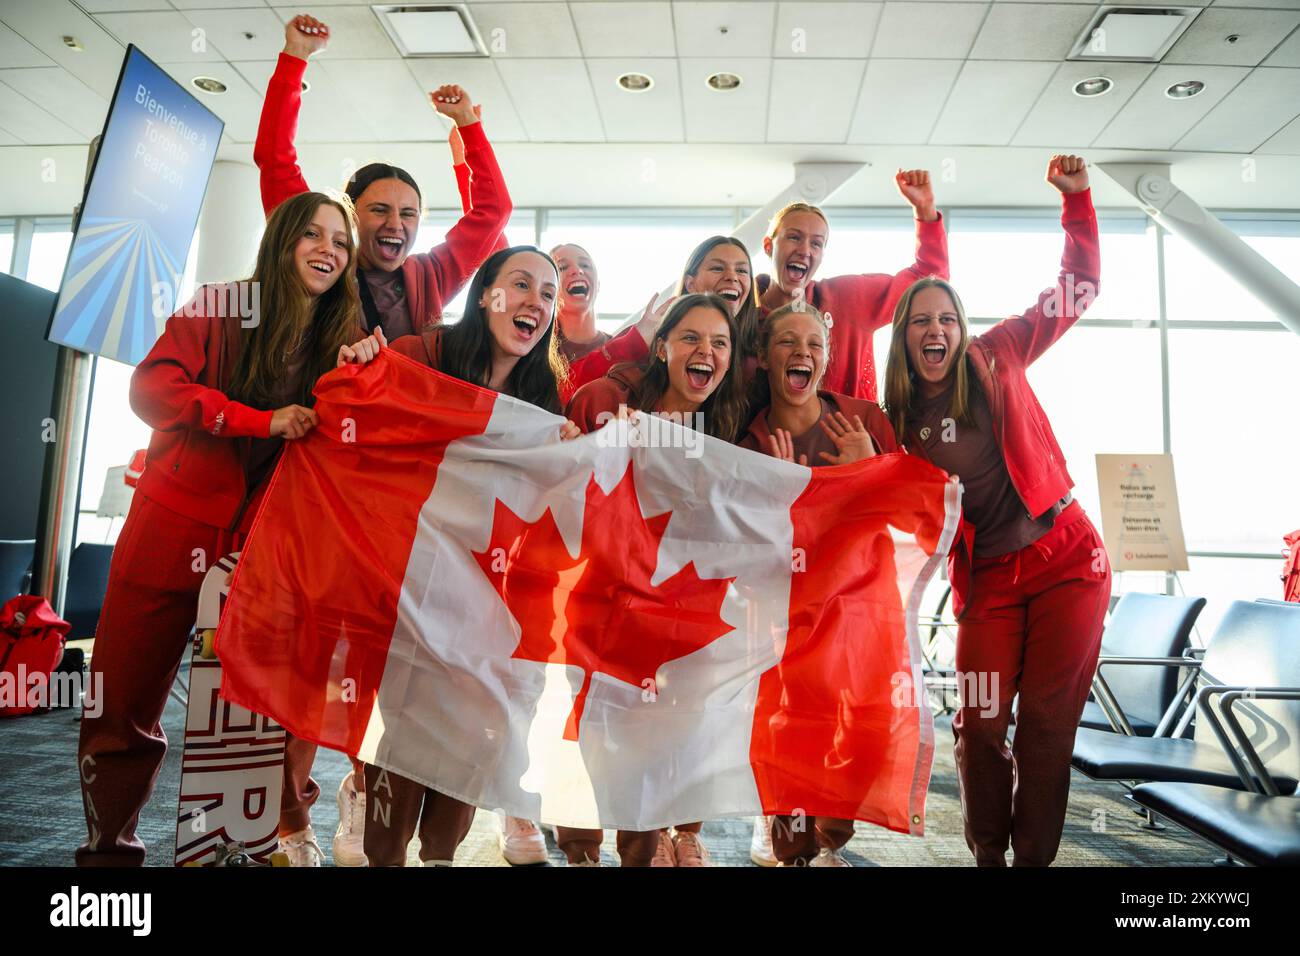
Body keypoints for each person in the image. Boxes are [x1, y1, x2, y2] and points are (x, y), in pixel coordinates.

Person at [75, 191, 381, 866]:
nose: (328, 248)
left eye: (340, 239)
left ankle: (246, 843)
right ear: (281, 240)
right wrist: (252, 418)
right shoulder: (221, 304)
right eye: (312, 234)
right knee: (122, 699)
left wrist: (369, 374)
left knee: (247, 718)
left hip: (259, 547)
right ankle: (107, 853)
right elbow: (149, 391)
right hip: (169, 527)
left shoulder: (341, 338)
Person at [882, 154, 1109, 867]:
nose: (935, 330)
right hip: (989, 583)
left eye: (946, 318)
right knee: (980, 724)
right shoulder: (897, 419)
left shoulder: (999, 354)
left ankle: (1032, 861)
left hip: (1069, 560)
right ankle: (988, 855)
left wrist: (1077, 203)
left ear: (961, 326)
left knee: (1045, 724)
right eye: (920, 321)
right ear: (904, 335)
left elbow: (1075, 291)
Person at [347, 245, 580, 865]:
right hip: (410, 589)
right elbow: (359, 422)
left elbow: (551, 504)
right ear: (485, 294)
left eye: (549, 295)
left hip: (489, 601)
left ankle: (441, 858)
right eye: (522, 285)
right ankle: (383, 856)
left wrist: (574, 453)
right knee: (401, 738)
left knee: (473, 739)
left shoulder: (544, 399)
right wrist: (365, 362)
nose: (537, 301)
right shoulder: (423, 356)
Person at [560, 292, 747, 866]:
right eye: (691, 337)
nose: (705, 351)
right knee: (589, 742)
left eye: (720, 342)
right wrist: (576, 450)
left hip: (677, 621)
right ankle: (580, 852)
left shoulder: (731, 427)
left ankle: (643, 851)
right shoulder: (605, 402)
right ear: (662, 346)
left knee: (658, 750)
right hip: (599, 607)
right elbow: (559, 491)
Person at [736, 302, 897, 866]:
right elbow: (732, 536)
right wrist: (775, 497)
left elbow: (907, 514)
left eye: (815, 343)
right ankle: (794, 853)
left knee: (864, 739)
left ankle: (830, 838)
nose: (802, 351)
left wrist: (870, 465)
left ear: (826, 361)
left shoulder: (864, 421)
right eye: (787, 341)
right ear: (766, 357)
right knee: (786, 737)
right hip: (782, 617)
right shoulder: (746, 435)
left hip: (857, 613)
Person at [757, 170, 949, 401]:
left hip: (855, 434)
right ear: (768, 246)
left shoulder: (846, 299)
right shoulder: (742, 319)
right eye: (794, 237)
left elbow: (930, 281)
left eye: (816, 243)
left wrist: (924, 209)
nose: (805, 250)